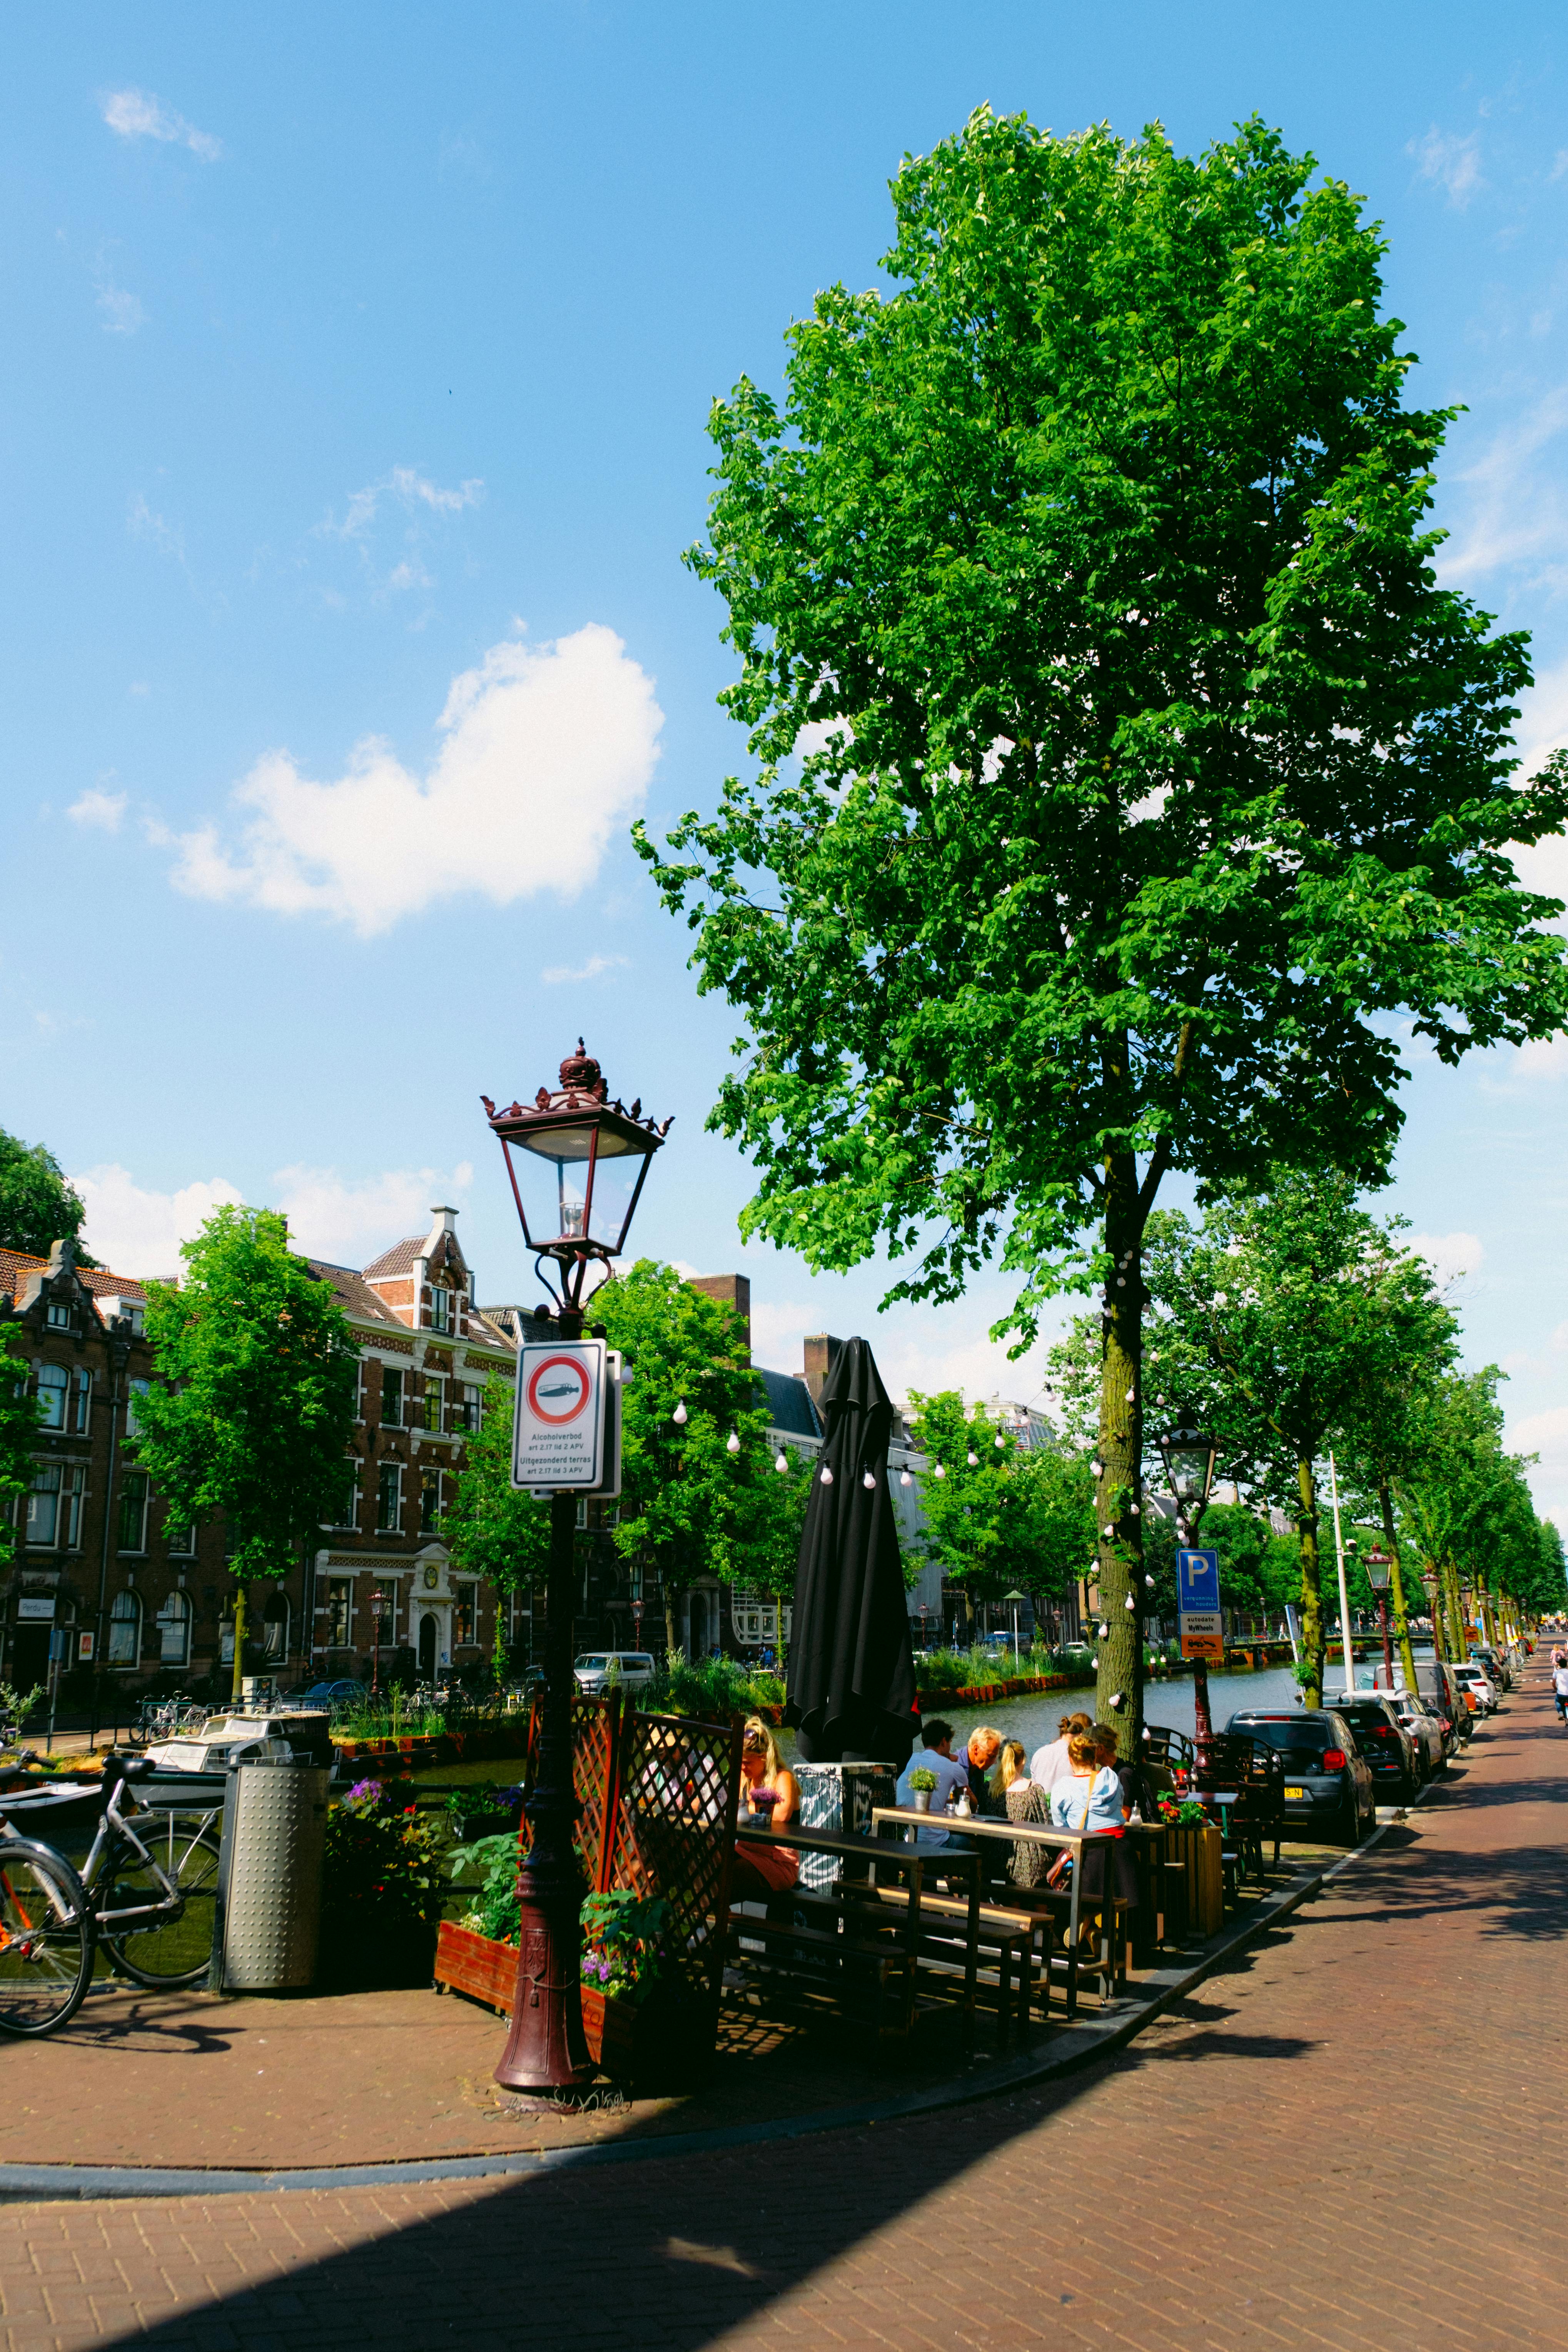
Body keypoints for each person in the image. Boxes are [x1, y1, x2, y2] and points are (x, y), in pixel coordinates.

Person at [730, 1716, 801, 1899]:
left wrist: (747, 1808)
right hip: (746, 1852)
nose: (742, 1767)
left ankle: (715, 1922)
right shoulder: (744, 1780)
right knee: (708, 1866)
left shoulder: (783, 1778)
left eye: (747, 1763)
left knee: (727, 1875)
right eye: (740, 1762)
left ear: (764, 1757)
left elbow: (780, 1816)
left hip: (778, 1863)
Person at [895, 1718, 972, 1844]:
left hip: (904, 1839)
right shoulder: (954, 1768)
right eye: (950, 1742)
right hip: (935, 1843)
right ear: (943, 1742)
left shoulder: (910, 1759)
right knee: (971, 1844)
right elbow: (971, 1806)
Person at [1049, 1731, 1128, 1834]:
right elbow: (1120, 1805)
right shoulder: (1111, 1778)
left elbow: (1061, 1827)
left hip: (1088, 1847)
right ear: (1095, 1758)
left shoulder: (1062, 1787)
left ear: (1070, 1759)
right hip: (1120, 1844)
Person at [1032, 1711, 1092, 1792]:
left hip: (1042, 1802)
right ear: (1081, 1735)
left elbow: (1034, 1785)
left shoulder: (1039, 1754)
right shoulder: (1077, 1756)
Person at [960, 1725, 1002, 1804]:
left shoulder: (978, 1767)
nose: (995, 1762)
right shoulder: (956, 1767)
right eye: (991, 1756)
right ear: (976, 1749)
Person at [1552, 1655, 1568, 1726]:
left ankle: (1561, 1712)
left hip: (1561, 1694)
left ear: (1559, 1665)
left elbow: (1553, 1683)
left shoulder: (1557, 1673)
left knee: (1557, 1701)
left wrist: (1555, 1688)